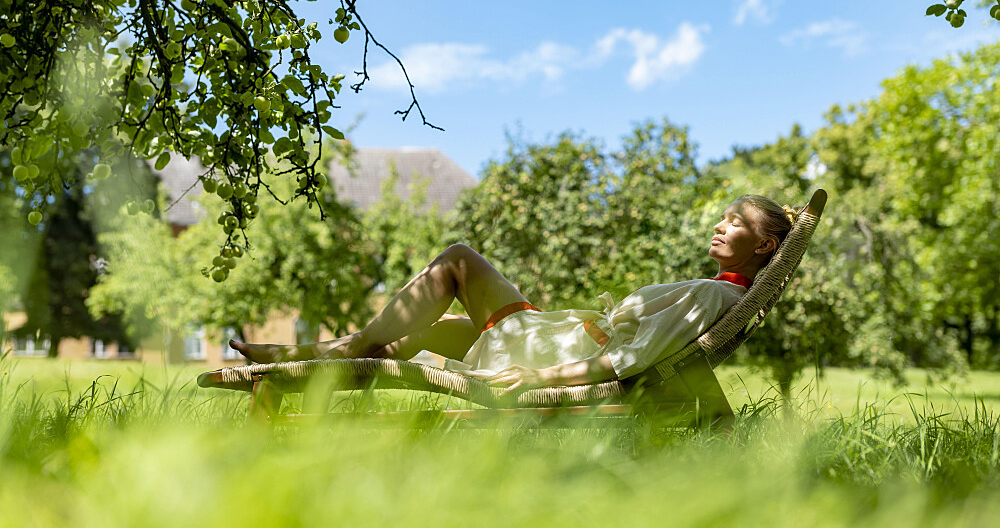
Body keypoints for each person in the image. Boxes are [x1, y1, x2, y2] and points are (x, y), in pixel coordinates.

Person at [231, 194, 800, 393]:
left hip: (547, 353)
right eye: (723, 218)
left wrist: (539, 379)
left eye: (736, 222)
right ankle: (317, 366)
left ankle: (325, 354)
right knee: (417, 335)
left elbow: (630, 358)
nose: (721, 226)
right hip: (550, 337)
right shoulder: (722, 296)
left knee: (458, 259)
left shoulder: (710, 297)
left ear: (768, 243)